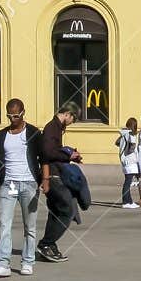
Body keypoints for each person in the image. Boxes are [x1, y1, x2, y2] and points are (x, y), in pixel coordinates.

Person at [0, 98, 41, 277]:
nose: (13, 119)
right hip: (9, 183)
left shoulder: (34, 133)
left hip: (29, 184)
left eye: (16, 115)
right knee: (4, 223)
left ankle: (27, 262)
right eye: (9, 116)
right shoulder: (1, 135)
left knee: (29, 226)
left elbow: (43, 157)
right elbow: (0, 157)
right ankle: (3, 264)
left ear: (23, 113)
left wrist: (46, 179)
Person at [37, 105, 81, 262]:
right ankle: (46, 244)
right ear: (67, 114)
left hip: (55, 174)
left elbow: (52, 151)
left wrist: (70, 153)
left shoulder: (56, 127)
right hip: (52, 176)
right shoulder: (52, 128)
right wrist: (68, 155)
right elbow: (47, 153)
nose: (72, 122)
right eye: (73, 119)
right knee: (67, 210)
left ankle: (49, 245)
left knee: (56, 211)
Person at [116, 117, 141, 209]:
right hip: (130, 160)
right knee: (128, 182)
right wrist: (134, 149)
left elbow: (117, 143)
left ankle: (129, 201)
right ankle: (126, 202)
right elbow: (131, 148)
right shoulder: (130, 135)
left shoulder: (123, 134)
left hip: (124, 160)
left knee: (128, 181)